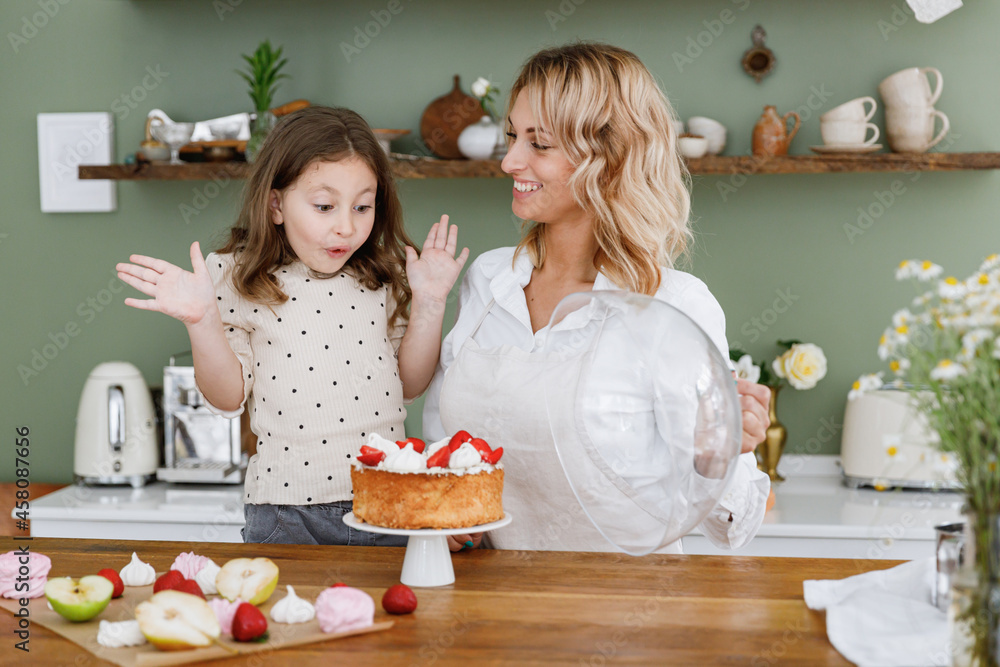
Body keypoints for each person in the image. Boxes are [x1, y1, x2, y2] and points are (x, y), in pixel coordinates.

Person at [422, 43, 772, 553]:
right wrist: (445, 513)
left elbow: (732, 528)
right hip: (484, 608)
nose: (510, 161)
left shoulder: (673, 306)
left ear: (608, 159)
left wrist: (716, 451)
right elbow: (442, 443)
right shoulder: (489, 279)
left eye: (539, 144)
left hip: (623, 614)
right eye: (512, 137)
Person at [117, 107, 469, 545]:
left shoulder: (384, 273)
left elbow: (410, 384)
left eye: (363, 206)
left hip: (388, 500)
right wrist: (203, 320)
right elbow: (227, 399)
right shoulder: (235, 275)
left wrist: (431, 303)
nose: (346, 226)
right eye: (324, 206)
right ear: (276, 204)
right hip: (286, 512)